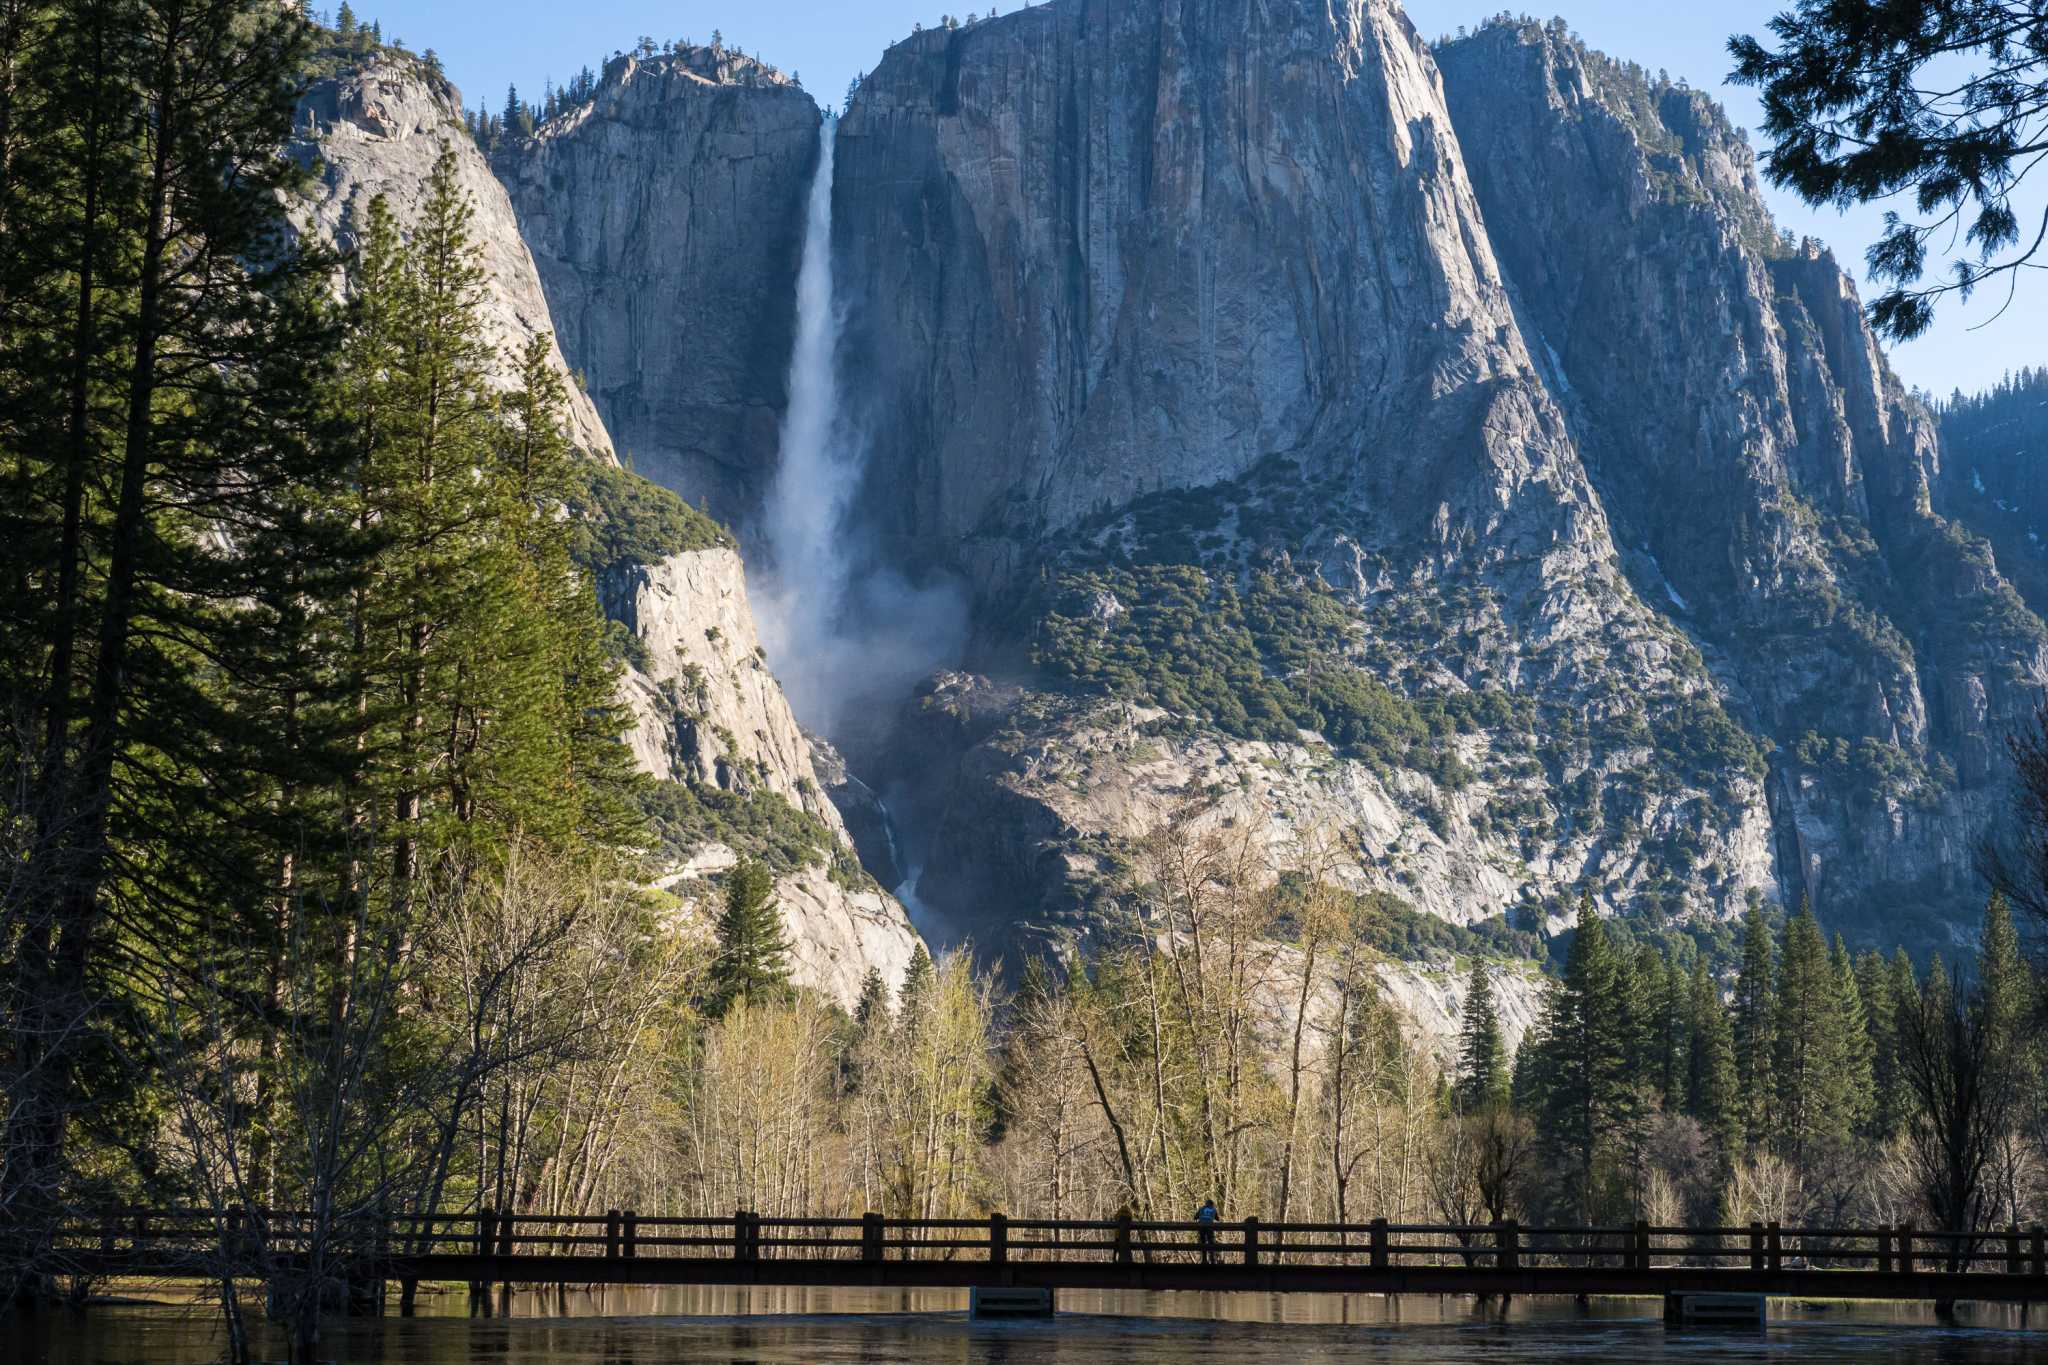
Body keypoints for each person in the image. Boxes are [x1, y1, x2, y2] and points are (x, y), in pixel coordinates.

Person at [1194, 1198, 1218, 1265]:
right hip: (1210, 1227)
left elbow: (1195, 1217)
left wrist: (1200, 1217)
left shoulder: (1201, 1209)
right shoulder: (1213, 1209)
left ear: (1206, 1204)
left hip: (1201, 1227)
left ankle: (1204, 1260)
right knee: (1211, 1243)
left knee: (1203, 1242)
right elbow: (1217, 1218)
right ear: (1212, 1205)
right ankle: (1212, 1260)